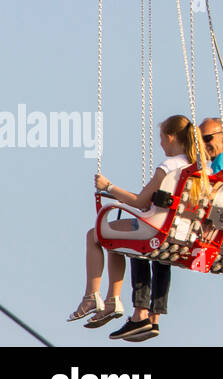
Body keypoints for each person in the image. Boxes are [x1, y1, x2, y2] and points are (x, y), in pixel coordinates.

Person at [68, 115, 209, 331]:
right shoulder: (200, 170)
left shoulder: (169, 167)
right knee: (113, 235)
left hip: (153, 228)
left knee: (94, 234)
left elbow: (140, 201)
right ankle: (112, 300)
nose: (161, 144)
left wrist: (109, 187)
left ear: (171, 138)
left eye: (162, 138)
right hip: (180, 230)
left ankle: (91, 296)